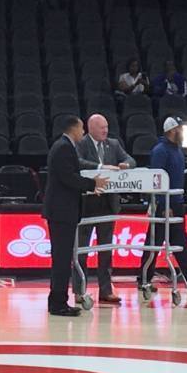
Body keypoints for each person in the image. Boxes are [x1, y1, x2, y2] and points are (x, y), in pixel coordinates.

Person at [141, 116, 187, 295]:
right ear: (172, 131)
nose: (183, 132)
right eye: (180, 129)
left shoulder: (176, 150)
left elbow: (177, 172)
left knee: (180, 243)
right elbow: (157, 179)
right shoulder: (160, 151)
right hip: (165, 204)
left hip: (177, 202)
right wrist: (164, 203)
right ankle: (144, 279)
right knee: (154, 242)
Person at [76, 113, 132, 304]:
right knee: (81, 250)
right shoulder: (81, 144)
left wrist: (125, 165)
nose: (105, 130)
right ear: (91, 127)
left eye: (107, 126)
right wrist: (103, 167)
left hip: (108, 204)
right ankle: (79, 290)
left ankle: (106, 290)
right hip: (86, 204)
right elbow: (78, 162)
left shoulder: (114, 144)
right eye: (102, 127)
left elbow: (130, 160)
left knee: (106, 251)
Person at [44, 114, 88, 317]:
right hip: (61, 212)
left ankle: (58, 300)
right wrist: (92, 184)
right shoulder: (63, 147)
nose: (83, 132)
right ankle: (58, 303)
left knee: (62, 258)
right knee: (61, 259)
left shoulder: (64, 146)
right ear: (73, 129)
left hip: (63, 211)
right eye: (81, 128)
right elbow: (68, 178)